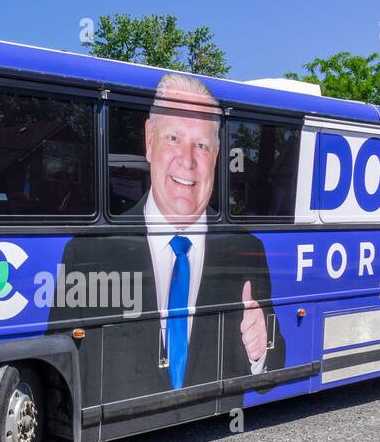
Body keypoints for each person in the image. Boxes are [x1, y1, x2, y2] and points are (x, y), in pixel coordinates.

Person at [47, 72, 285, 405]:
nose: (187, 160)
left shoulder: (247, 250)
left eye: (201, 145)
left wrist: (260, 353)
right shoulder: (87, 251)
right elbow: (61, 366)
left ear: (216, 155)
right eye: (174, 138)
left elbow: (271, 372)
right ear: (149, 141)